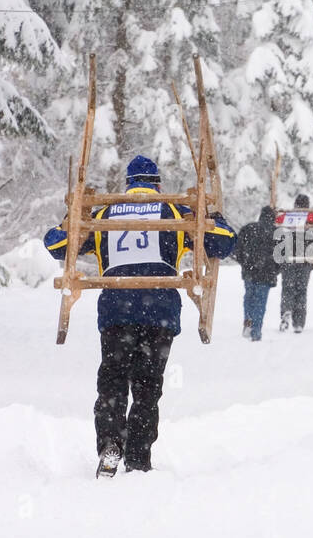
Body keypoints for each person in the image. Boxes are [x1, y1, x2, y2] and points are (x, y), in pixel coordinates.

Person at [44, 155, 236, 477]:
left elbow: (58, 246)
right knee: (148, 387)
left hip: (117, 309)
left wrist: (73, 217)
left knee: (113, 381)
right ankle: (138, 458)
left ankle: (110, 443)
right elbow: (222, 244)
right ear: (156, 183)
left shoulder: (105, 211)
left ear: (129, 185)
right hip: (159, 312)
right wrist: (211, 216)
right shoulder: (173, 210)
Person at [276, 193, 313, 332]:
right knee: (301, 290)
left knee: (287, 288)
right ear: (308, 205)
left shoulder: (287, 217)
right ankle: (298, 322)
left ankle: (286, 311)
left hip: (288, 256)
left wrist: (276, 211)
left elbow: (275, 221)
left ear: (295, 205)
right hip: (306, 258)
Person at [234, 205, 278, 341]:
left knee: (249, 298)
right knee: (260, 302)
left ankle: (248, 321)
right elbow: (282, 256)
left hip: (249, 271)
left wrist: (245, 263)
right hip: (267, 273)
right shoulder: (277, 233)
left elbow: (237, 249)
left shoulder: (248, 229)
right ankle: (256, 330)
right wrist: (276, 270)